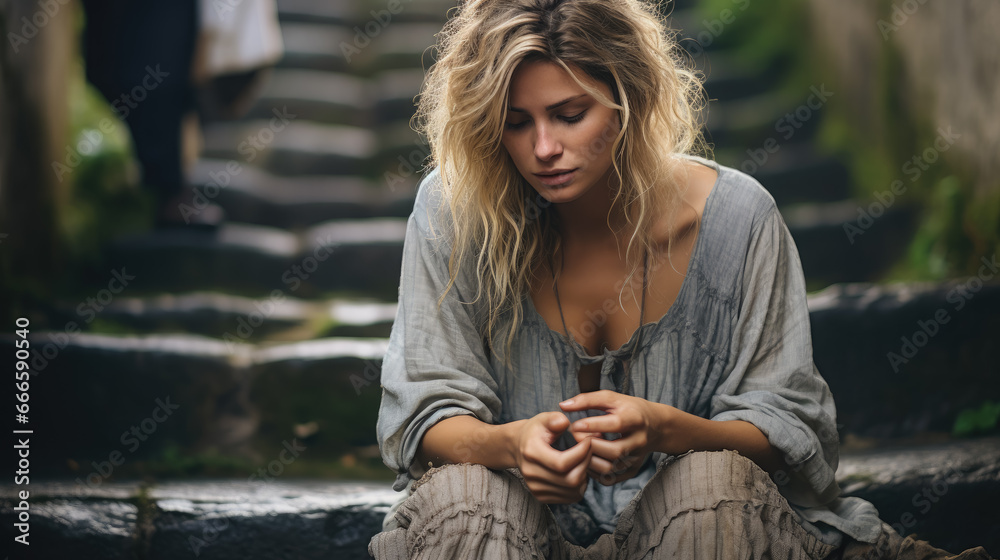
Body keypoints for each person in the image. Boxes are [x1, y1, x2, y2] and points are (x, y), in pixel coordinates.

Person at [369, 1, 994, 558]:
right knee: (467, 499)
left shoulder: (739, 219)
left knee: (710, 486)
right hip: (511, 529)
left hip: (702, 530)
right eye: (515, 122)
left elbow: (791, 423)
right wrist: (512, 446)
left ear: (628, 99)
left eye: (568, 114)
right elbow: (423, 410)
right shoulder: (456, 213)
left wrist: (667, 431)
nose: (543, 148)